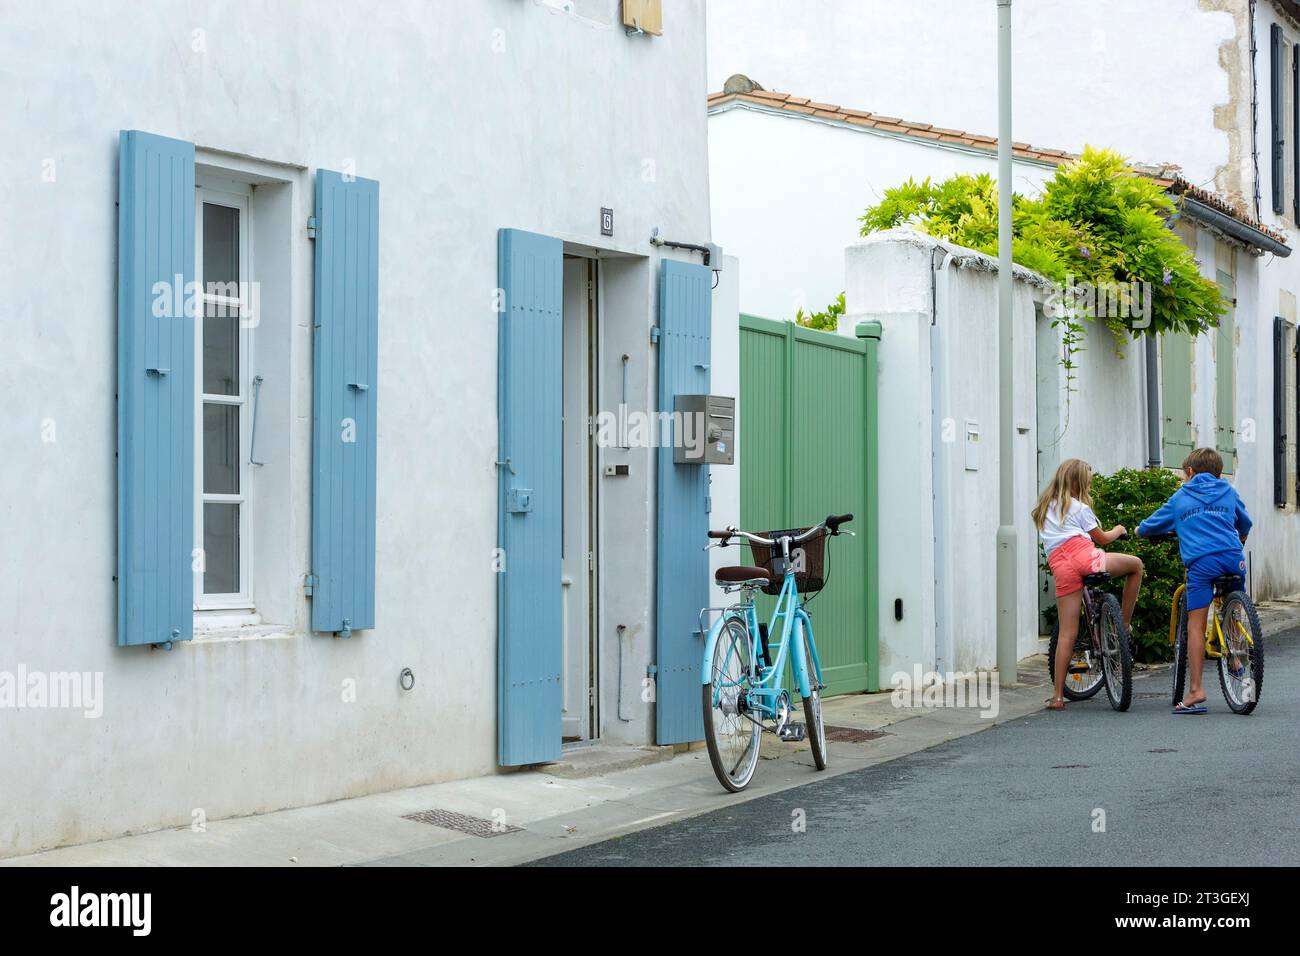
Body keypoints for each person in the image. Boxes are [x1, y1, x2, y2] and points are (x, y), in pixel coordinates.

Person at [1137, 447, 1251, 714]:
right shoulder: (1229, 490)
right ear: (1218, 472)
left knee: (1196, 625)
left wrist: (1138, 530)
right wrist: (1241, 537)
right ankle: (1236, 658)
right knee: (1233, 606)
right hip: (1234, 559)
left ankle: (1196, 690)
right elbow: (1245, 522)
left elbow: (1150, 525)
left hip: (1202, 563)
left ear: (1189, 472)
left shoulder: (1181, 496)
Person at [1033, 458, 1144, 711]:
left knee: (1067, 634)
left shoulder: (1043, 508)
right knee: (1136, 565)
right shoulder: (1080, 507)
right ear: (1079, 483)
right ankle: (1123, 625)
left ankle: (1058, 696)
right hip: (1087, 558)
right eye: (1088, 483)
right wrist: (1118, 529)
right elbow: (1103, 539)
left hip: (1061, 567)